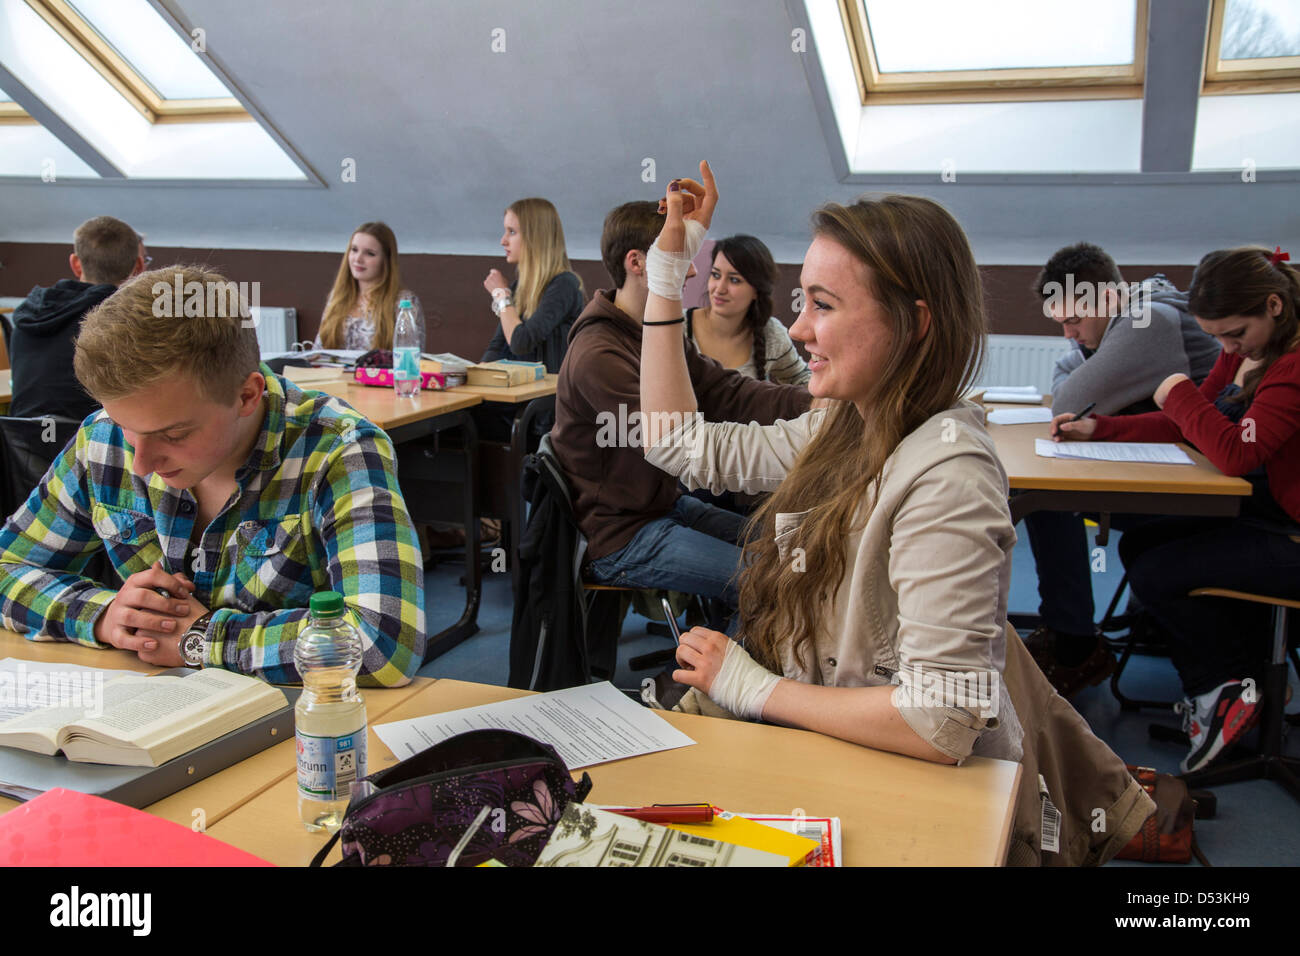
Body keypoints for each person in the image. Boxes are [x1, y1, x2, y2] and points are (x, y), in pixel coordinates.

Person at [638, 164, 1020, 764]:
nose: (797, 327)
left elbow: (940, 719)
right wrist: (667, 277)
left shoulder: (950, 478)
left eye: (823, 305)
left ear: (914, 323)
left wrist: (753, 687)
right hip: (844, 751)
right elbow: (676, 444)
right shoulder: (841, 426)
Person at [0, 265, 425, 686]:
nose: (142, 463)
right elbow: (7, 565)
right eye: (128, 429)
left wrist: (205, 640)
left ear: (246, 396)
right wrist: (104, 616)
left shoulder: (339, 449)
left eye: (174, 433)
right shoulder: (103, 437)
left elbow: (384, 643)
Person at [1053, 246, 1300, 773]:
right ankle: (1238, 678)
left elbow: (1235, 452)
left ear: (1274, 307)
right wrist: (1103, 429)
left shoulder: (1292, 366)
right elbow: (1193, 422)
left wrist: (1177, 392)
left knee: (1160, 570)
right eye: (1217, 338)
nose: (1225, 348)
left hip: (1291, 531)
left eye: (1234, 335)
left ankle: (1223, 693)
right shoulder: (1247, 349)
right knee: (1141, 541)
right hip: (1273, 509)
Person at [549, 200, 809, 609]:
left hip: (664, 507)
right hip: (622, 536)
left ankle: (723, 653)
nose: (692, 273)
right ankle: (716, 671)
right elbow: (677, 448)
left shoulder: (650, 333)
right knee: (770, 584)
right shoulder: (599, 355)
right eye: (679, 259)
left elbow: (728, 391)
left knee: (800, 558)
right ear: (637, 262)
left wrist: (822, 401)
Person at [1023, 243, 1220, 695]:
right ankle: (1074, 632)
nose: (1069, 334)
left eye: (1075, 320)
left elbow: (1070, 402)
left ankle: (1074, 644)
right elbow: (1063, 376)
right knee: (1047, 494)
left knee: (1048, 500)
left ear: (1108, 299)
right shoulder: (1132, 314)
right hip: (1183, 469)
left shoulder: (1149, 320)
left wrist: (1088, 390)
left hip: (1216, 490)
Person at [7, 216, 148, 421]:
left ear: (76, 264)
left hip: (20, 444)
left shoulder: (28, 314)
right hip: (90, 445)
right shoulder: (130, 320)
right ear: (139, 266)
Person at [686, 235, 809, 385]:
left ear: (757, 289)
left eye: (734, 280)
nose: (719, 288)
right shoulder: (679, 327)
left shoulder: (771, 333)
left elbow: (802, 379)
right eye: (716, 275)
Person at [481, 197, 584, 373]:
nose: (503, 241)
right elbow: (497, 348)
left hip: (547, 395)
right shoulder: (517, 287)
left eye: (512, 232)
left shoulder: (564, 285)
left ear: (535, 238)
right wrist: (476, 376)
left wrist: (501, 296)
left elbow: (521, 342)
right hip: (518, 391)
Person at [314, 222, 424, 351]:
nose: (358, 259)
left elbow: (411, 358)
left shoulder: (404, 301)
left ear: (386, 260)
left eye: (369, 253)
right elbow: (318, 350)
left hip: (380, 371)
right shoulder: (337, 296)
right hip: (332, 371)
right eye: (354, 250)